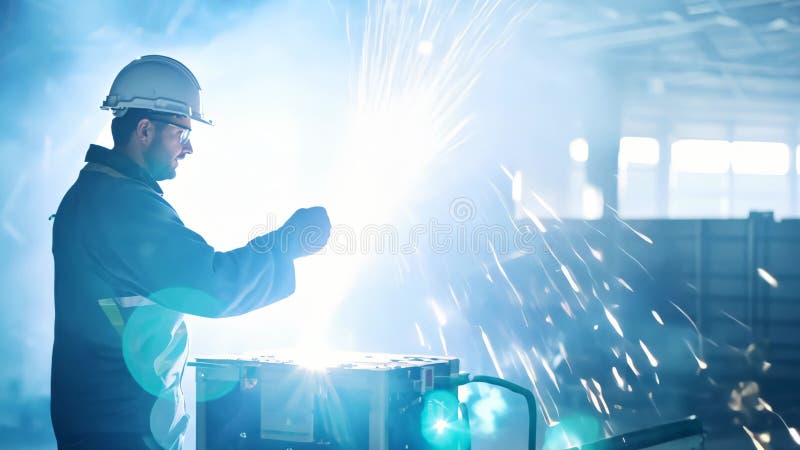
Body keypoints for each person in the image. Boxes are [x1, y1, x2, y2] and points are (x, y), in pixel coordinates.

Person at [50, 55, 331, 450]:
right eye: (181, 133)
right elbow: (211, 285)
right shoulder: (122, 207)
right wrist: (288, 243)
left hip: (109, 426)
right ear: (145, 130)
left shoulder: (96, 194)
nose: (189, 148)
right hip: (122, 434)